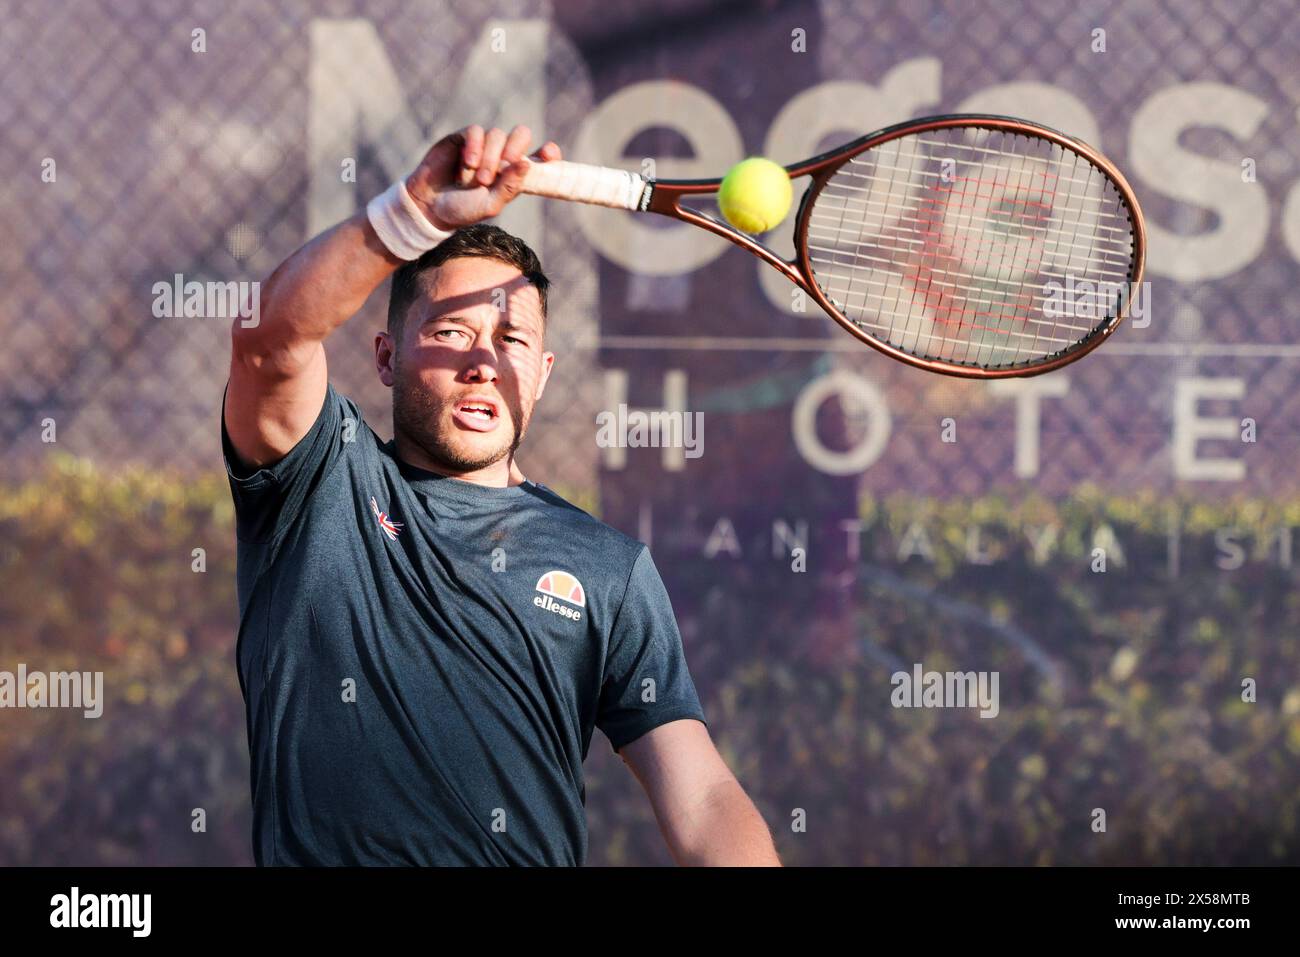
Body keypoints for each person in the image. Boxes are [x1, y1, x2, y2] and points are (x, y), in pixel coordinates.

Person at [222, 123, 780, 866]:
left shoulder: (607, 567)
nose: (484, 360)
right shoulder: (318, 481)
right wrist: (412, 212)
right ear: (386, 356)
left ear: (542, 373)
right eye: (452, 332)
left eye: (512, 339)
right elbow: (270, 343)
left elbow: (704, 797)